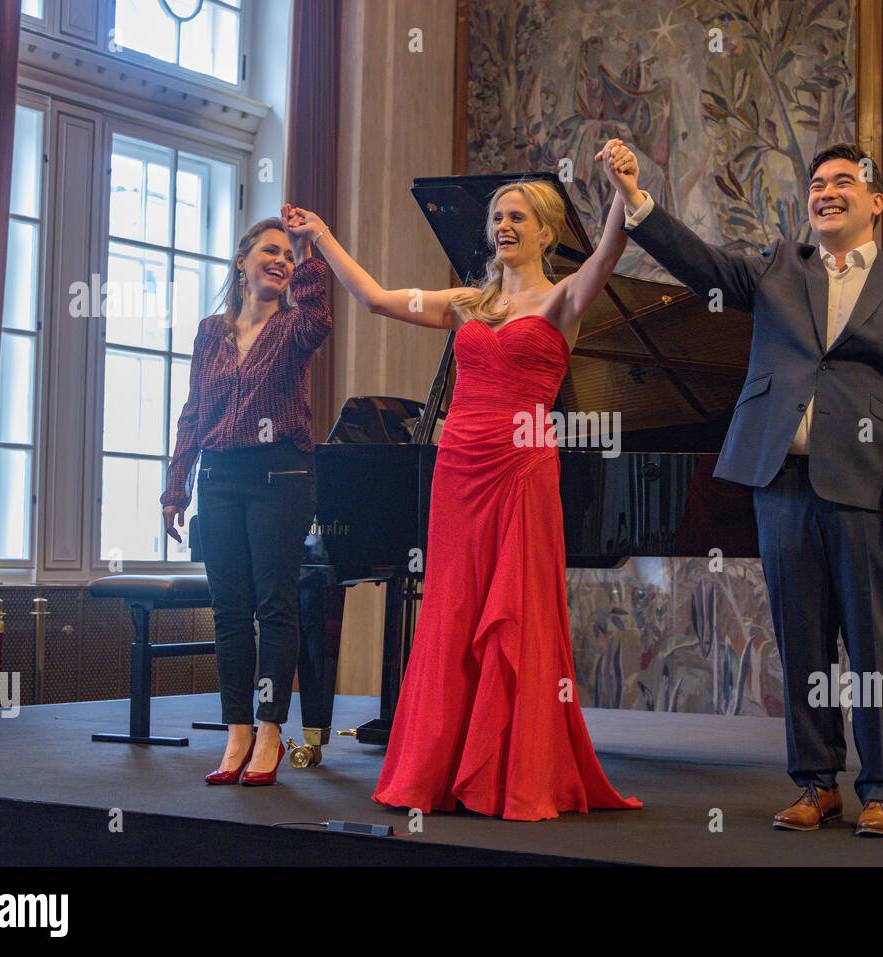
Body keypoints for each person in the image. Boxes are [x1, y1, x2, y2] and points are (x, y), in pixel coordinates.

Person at [597, 139, 883, 836]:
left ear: (874, 202)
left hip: (869, 486)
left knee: (877, 645)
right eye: (818, 182)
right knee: (801, 639)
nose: (826, 192)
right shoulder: (778, 270)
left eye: (843, 182)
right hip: (781, 483)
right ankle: (815, 783)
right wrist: (636, 199)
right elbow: (701, 264)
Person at [283, 177, 643, 820]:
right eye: (498, 217)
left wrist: (623, 192)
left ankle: (513, 772)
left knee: (516, 612)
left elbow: (609, 254)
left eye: (518, 217)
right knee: (452, 610)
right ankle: (443, 768)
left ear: (545, 232)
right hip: (458, 469)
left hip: (522, 467)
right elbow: (373, 300)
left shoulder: (563, 299)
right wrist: (324, 238)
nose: (503, 226)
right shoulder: (463, 303)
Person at [161, 212, 331, 786]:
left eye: (289, 254)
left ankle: (269, 730)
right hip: (220, 476)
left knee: (273, 607)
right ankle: (236, 729)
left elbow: (320, 322)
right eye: (272, 251)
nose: (281, 260)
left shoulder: (293, 328)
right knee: (228, 610)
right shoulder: (211, 333)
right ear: (241, 261)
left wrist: (310, 250)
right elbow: (193, 411)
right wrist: (175, 483)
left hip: (281, 473)